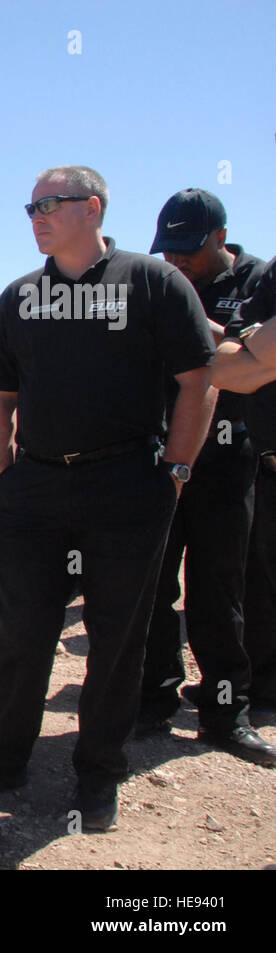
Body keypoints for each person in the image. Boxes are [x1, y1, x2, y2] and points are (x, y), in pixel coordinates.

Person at [0, 166, 216, 833]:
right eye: (31, 206)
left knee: (117, 638)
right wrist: (5, 471)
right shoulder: (20, 297)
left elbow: (199, 378)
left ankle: (98, 776)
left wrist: (176, 470)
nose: (35, 215)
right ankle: (4, 758)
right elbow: (0, 395)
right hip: (35, 486)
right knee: (20, 631)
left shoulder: (153, 282)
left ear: (92, 208)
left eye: (50, 204)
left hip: (127, 483)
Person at [134, 189, 275, 765]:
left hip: (226, 458)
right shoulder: (159, 284)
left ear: (220, 238)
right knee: (154, 587)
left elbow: (243, 359)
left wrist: (191, 313)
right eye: (166, 251)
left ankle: (224, 713)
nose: (175, 262)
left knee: (220, 591)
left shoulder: (258, 281)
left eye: (187, 250)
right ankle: (152, 702)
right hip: (163, 454)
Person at [214, 256, 276, 723]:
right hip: (265, 464)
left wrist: (255, 344)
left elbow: (248, 361)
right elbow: (232, 370)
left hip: (241, 452)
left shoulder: (253, 274)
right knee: (252, 586)